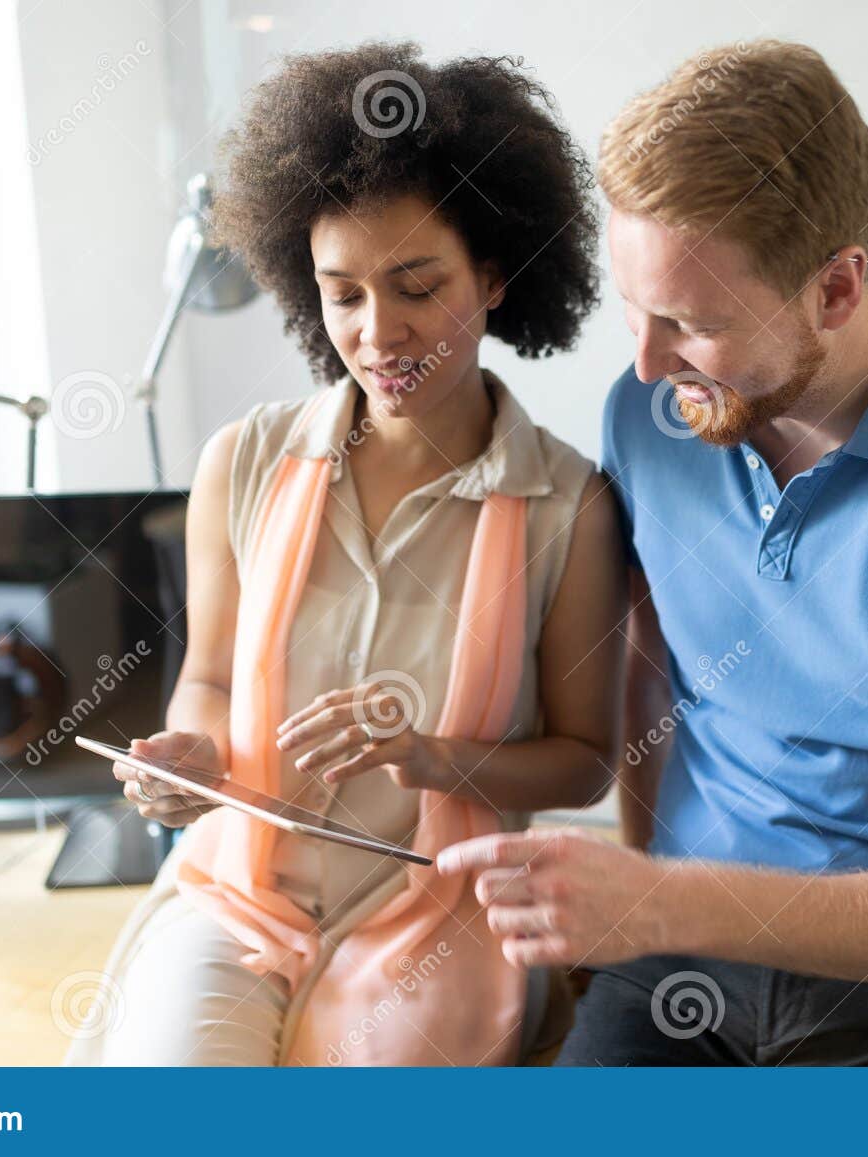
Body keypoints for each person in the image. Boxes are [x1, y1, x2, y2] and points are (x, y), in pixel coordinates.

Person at [439, 40, 868, 1066]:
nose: (646, 358)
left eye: (691, 322)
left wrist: (662, 896)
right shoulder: (652, 413)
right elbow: (650, 653)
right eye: (633, 307)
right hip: (677, 953)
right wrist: (646, 888)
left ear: (837, 288)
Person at [67, 42, 625, 1066]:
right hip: (240, 890)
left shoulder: (568, 508)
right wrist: (192, 753)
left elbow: (588, 762)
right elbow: (210, 679)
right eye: (343, 293)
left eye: (417, 286)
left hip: (437, 914)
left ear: (495, 276)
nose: (378, 333)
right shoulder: (244, 462)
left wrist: (432, 758)